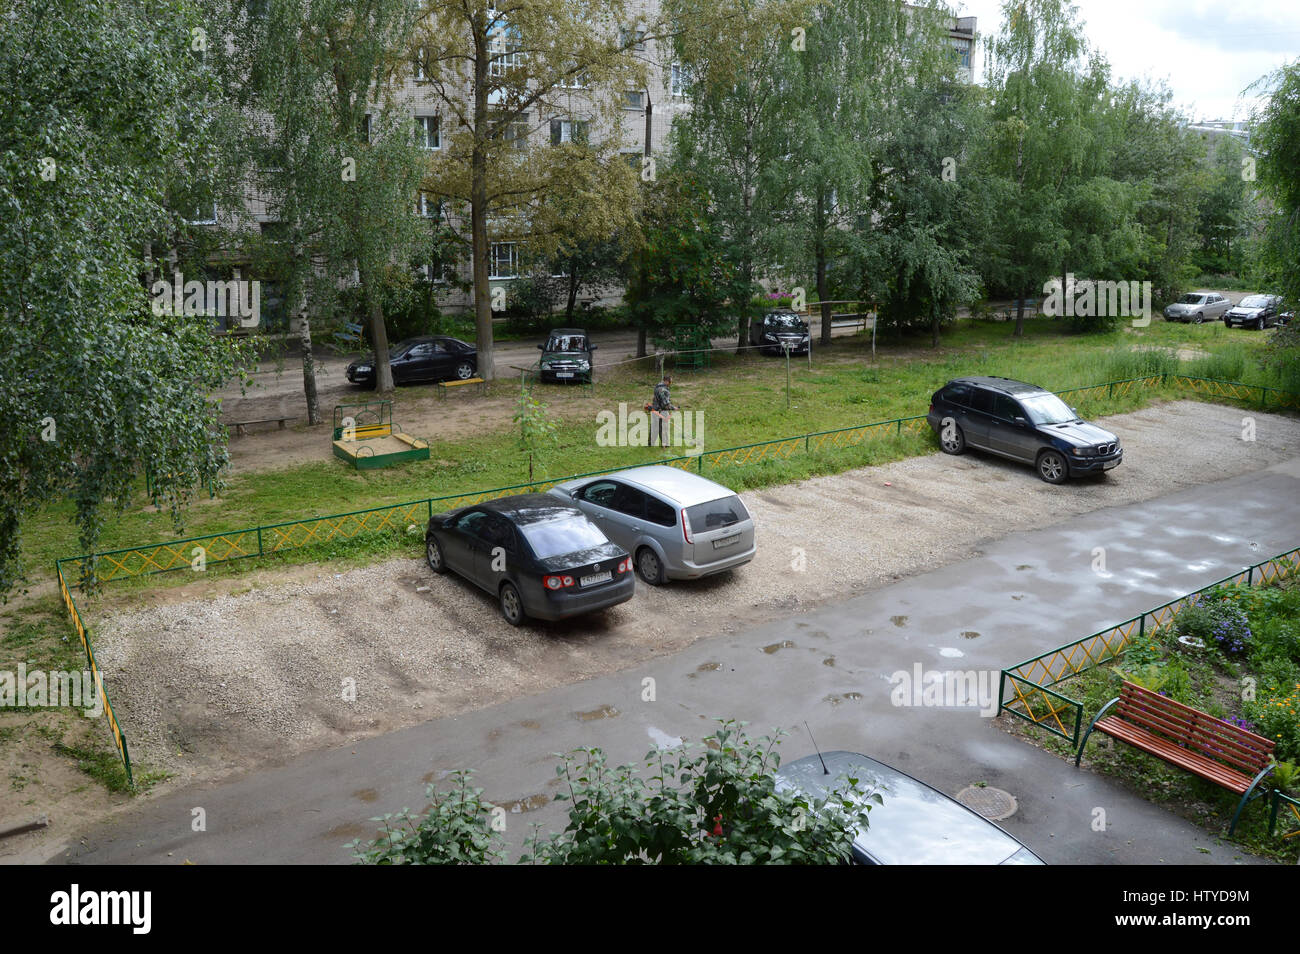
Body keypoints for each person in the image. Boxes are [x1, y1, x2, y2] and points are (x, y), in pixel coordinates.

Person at [648, 373, 677, 447]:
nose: (670, 384)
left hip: (655, 410)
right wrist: (673, 408)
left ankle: (650, 443)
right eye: (670, 382)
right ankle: (665, 444)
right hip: (662, 411)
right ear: (667, 381)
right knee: (664, 428)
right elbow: (665, 404)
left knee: (654, 427)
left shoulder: (657, 386)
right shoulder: (663, 390)